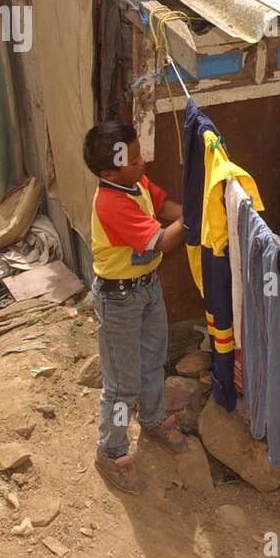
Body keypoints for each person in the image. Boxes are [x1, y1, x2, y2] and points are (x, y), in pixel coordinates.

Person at [83, 121, 188, 494]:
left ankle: (154, 416)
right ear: (109, 172)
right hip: (119, 301)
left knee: (152, 360)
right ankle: (110, 452)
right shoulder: (111, 203)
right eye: (134, 159)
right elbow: (160, 241)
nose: (143, 162)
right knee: (121, 383)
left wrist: (188, 208)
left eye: (140, 153)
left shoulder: (135, 183)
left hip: (147, 290)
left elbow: (163, 206)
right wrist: (194, 220)